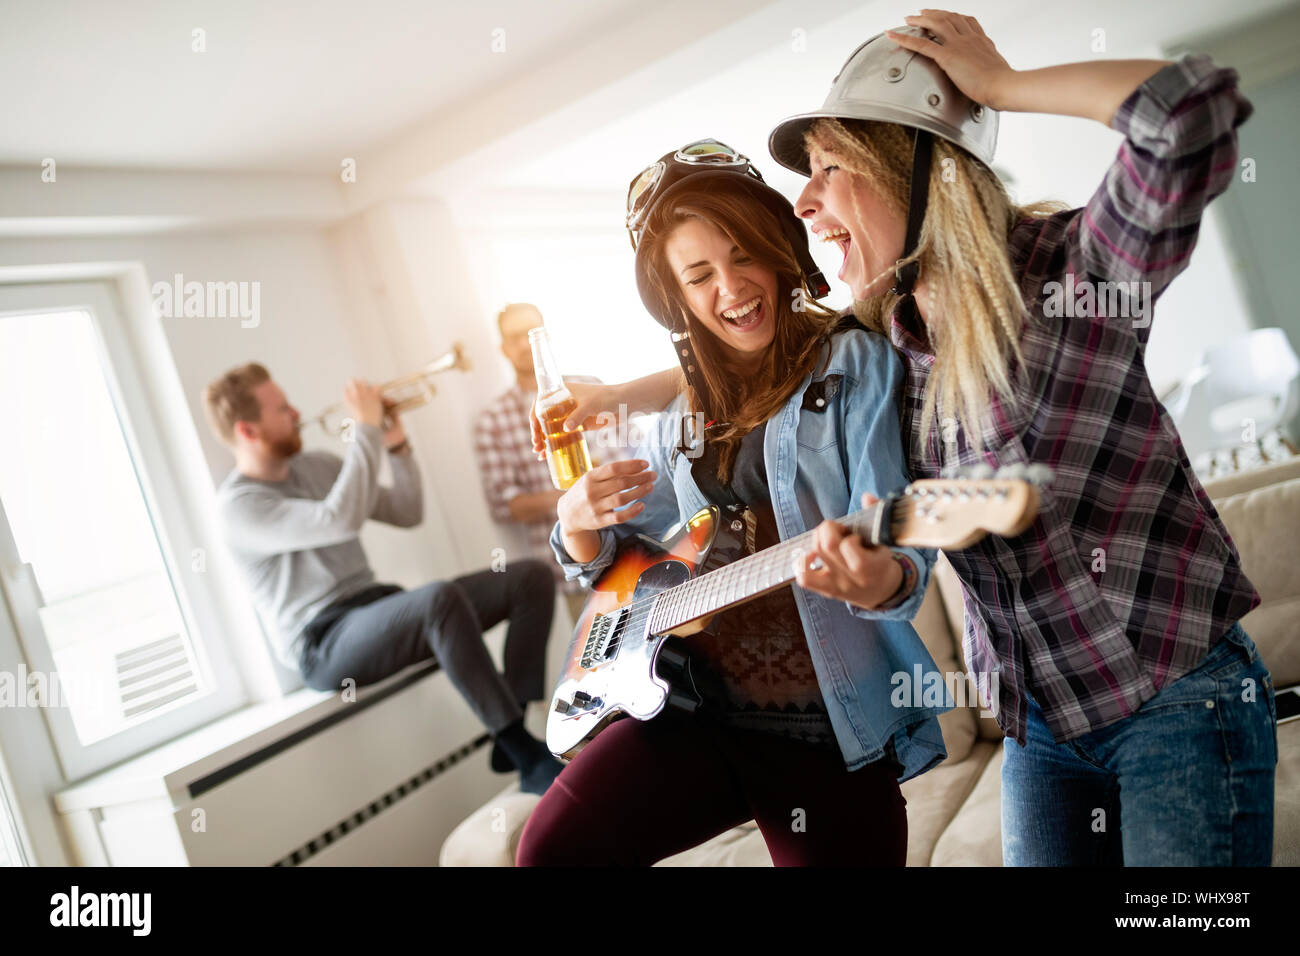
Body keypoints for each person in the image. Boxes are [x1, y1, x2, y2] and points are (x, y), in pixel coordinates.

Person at [550, 14, 1278, 865]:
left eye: (828, 168)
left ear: (910, 167)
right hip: (1038, 727)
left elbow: (1187, 114)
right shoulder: (888, 334)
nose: (805, 202)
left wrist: (1000, 89)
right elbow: (765, 354)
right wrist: (622, 396)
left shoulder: (1070, 274)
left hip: (1176, 698)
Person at [515, 140, 950, 867]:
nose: (732, 287)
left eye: (744, 255)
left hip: (825, 734)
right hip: (693, 710)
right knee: (550, 850)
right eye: (700, 275)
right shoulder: (679, 415)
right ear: (676, 299)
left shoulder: (856, 363)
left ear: (781, 252)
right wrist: (576, 524)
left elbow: (903, 555)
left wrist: (880, 580)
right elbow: (630, 568)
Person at [204, 363, 565, 794]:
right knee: (437, 599)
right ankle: (527, 757)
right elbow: (336, 521)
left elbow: (407, 512)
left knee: (531, 577)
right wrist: (366, 430)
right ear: (248, 431)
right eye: (282, 409)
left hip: (374, 607)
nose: (296, 412)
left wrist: (397, 448)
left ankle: (514, 729)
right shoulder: (238, 507)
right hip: (323, 639)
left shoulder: (317, 466)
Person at [473, 303, 592, 626]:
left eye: (532, 334)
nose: (526, 344)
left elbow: (636, 450)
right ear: (503, 349)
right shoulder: (492, 420)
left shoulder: (591, 387)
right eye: (515, 337)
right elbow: (505, 505)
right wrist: (580, 496)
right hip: (575, 570)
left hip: (641, 538)